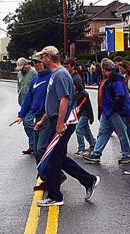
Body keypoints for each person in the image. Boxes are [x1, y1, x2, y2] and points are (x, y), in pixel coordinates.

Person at [35, 47, 100, 207]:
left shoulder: (61, 74)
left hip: (62, 121)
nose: (40, 60)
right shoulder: (55, 75)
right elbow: (52, 102)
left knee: (51, 158)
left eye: (42, 56)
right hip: (57, 120)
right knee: (59, 158)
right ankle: (89, 180)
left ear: (49, 57)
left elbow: (64, 100)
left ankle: (55, 196)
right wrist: (44, 120)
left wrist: (59, 123)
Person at [82, 59, 130, 164]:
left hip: (113, 111)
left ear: (104, 69)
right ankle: (96, 153)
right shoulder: (111, 78)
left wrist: (114, 109)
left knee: (121, 133)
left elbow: (120, 96)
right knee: (103, 133)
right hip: (108, 111)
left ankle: (127, 154)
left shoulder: (115, 79)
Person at [15, 58, 50, 157]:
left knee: (28, 122)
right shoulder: (19, 74)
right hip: (24, 102)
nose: (21, 69)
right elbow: (19, 85)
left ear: (27, 65)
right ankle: (33, 145)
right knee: (27, 124)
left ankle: (36, 145)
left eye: (22, 67)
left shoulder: (34, 73)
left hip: (34, 104)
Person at [72, 74, 97, 155]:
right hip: (81, 114)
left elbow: (87, 106)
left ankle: (81, 148)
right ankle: (93, 144)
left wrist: (91, 117)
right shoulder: (76, 93)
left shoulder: (83, 93)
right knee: (86, 131)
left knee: (79, 129)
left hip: (85, 114)